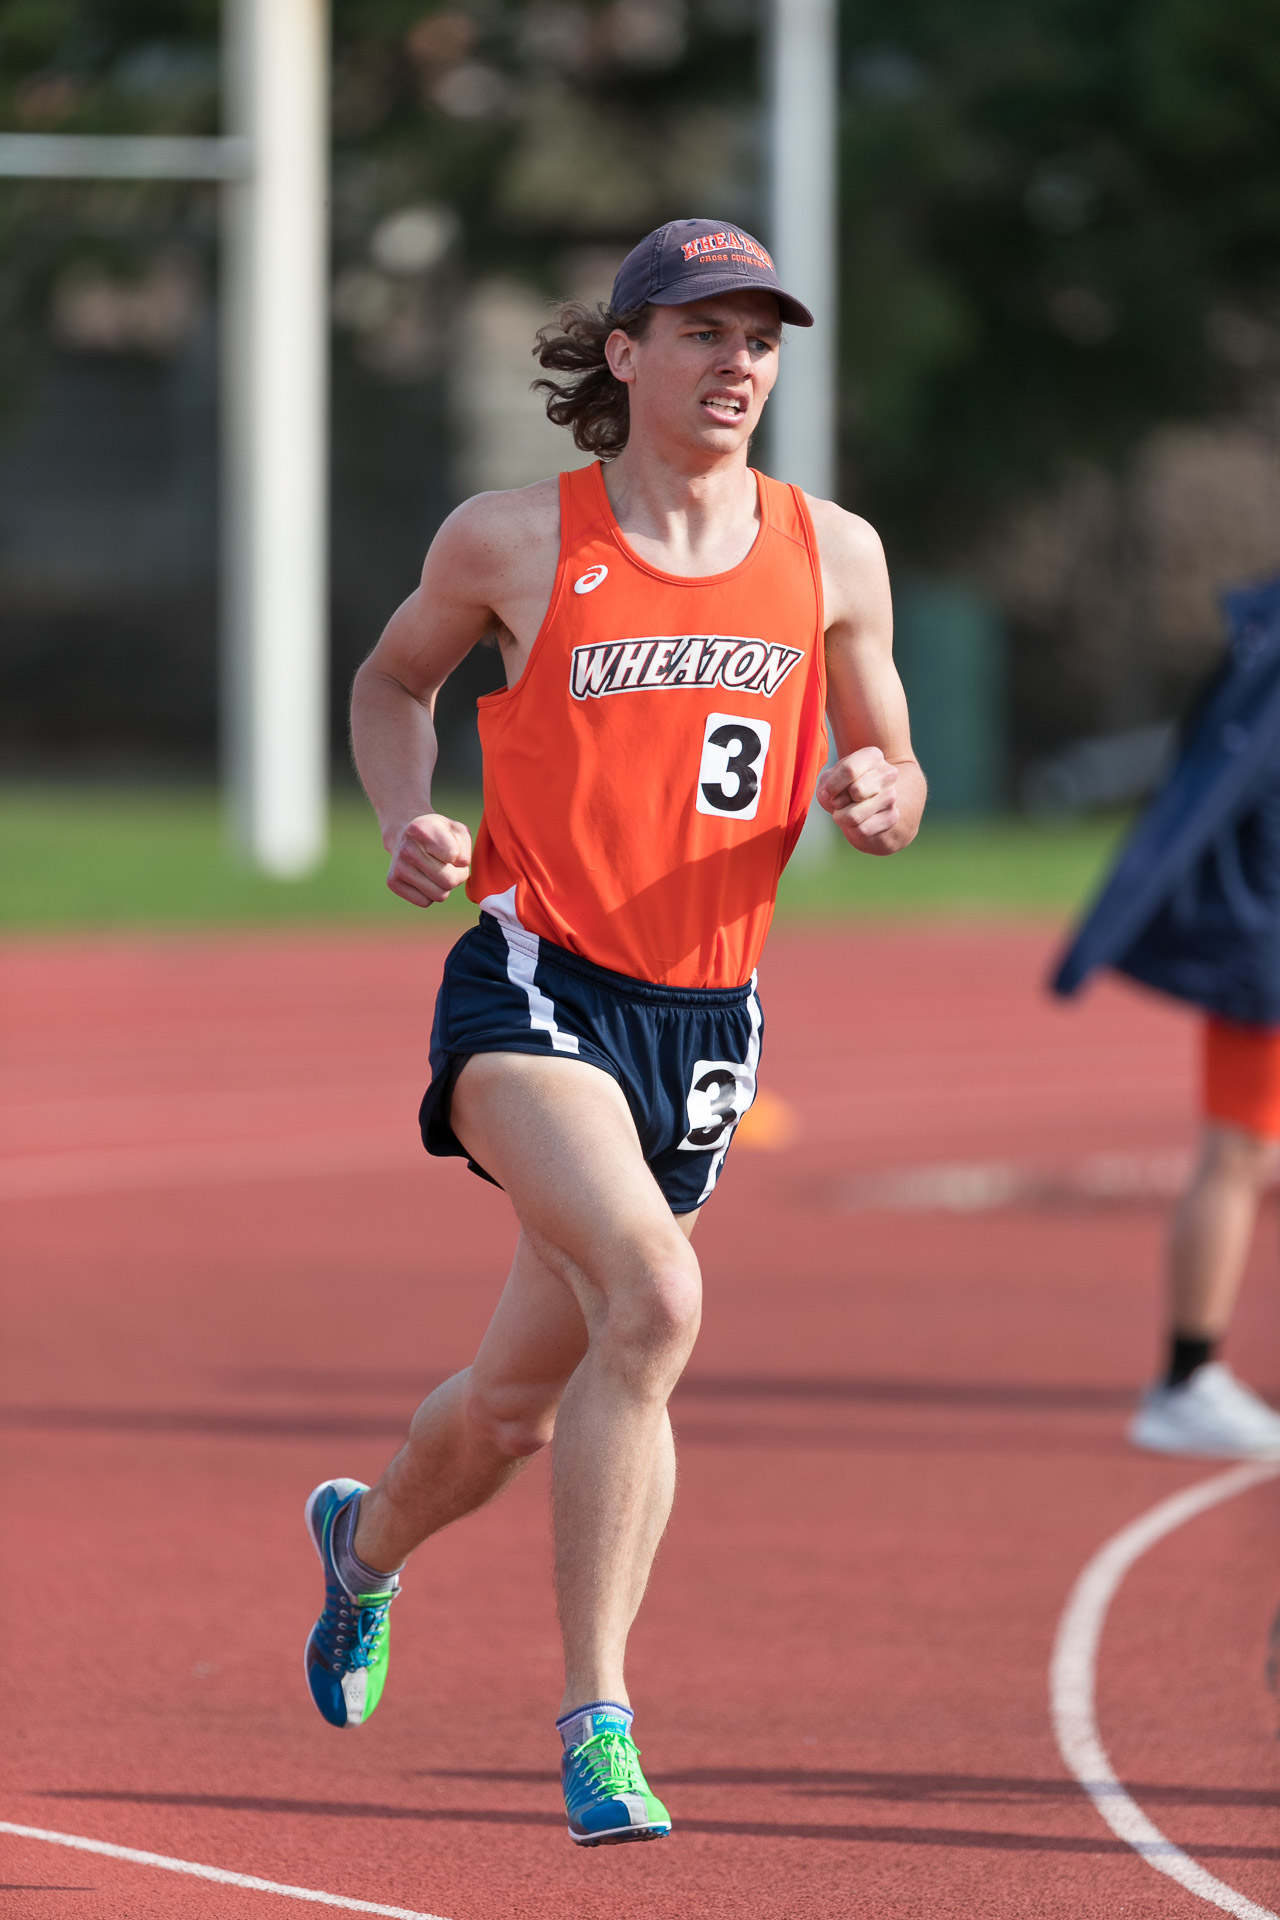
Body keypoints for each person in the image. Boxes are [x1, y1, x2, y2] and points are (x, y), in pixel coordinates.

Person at [302, 217, 926, 1847]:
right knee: (654, 1301)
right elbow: (391, 683)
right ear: (625, 354)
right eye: (704, 332)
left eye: (761, 338)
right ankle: (599, 1726)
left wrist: (882, 793)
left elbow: (895, 764)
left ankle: (363, 1544)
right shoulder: (515, 539)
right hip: (532, 984)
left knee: (517, 1405)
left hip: (704, 1028)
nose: (738, 364)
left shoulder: (833, 552)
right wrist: (403, 818)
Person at [1053, 575, 1280, 1460]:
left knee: (1242, 1150)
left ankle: (1190, 1379)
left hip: (1260, 919)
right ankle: (1187, 1380)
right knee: (1240, 1149)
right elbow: (1222, 778)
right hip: (1267, 932)